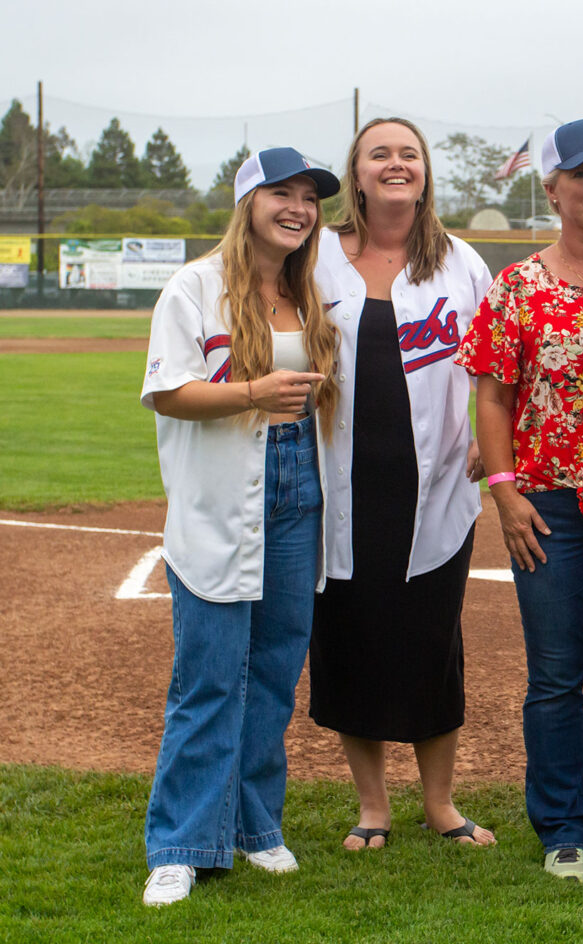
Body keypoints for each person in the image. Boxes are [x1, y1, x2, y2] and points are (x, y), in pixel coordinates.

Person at [139, 147, 341, 906]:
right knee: (210, 676)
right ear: (247, 202)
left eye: (310, 198)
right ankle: (182, 843)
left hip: (300, 488)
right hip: (223, 493)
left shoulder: (307, 291)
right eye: (281, 194)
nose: (298, 207)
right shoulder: (194, 286)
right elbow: (167, 392)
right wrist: (255, 390)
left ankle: (257, 826)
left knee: (274, 672)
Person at [457, 120, 583, 883]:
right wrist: (504, 494)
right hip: (545, 507)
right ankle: (563, 826)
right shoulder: (519, 287)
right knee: (555, 675)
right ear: (553, 190)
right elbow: (493, 396)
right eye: (582, 174)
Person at [308, 117, 496, 850]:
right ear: (356, 175)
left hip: (439, 480)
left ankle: (442, 804)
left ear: (425, 173)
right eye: (378, 154)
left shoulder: (459, 262)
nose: (395, 164)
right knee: (349, 637)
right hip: (338, 482)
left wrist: (491, 435)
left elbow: (493, 361)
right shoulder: (317, 255)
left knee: (430, 640)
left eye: (408, 154)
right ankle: (372, 807)